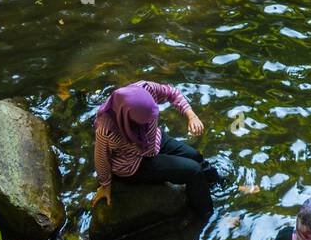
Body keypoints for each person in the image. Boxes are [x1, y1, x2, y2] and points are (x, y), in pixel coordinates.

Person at [91, 80, 218, 217]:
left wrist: (191, 115)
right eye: (145, 122)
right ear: (128, 120)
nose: (151, 121)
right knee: (193, 171)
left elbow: (172, 93)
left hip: (154, 140)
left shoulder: (146, 88)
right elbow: (101, 157)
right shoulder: (106, 127)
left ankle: (219, 184)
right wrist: (106, 184)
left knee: (195, 156)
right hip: (134, 162)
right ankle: (206, 215)